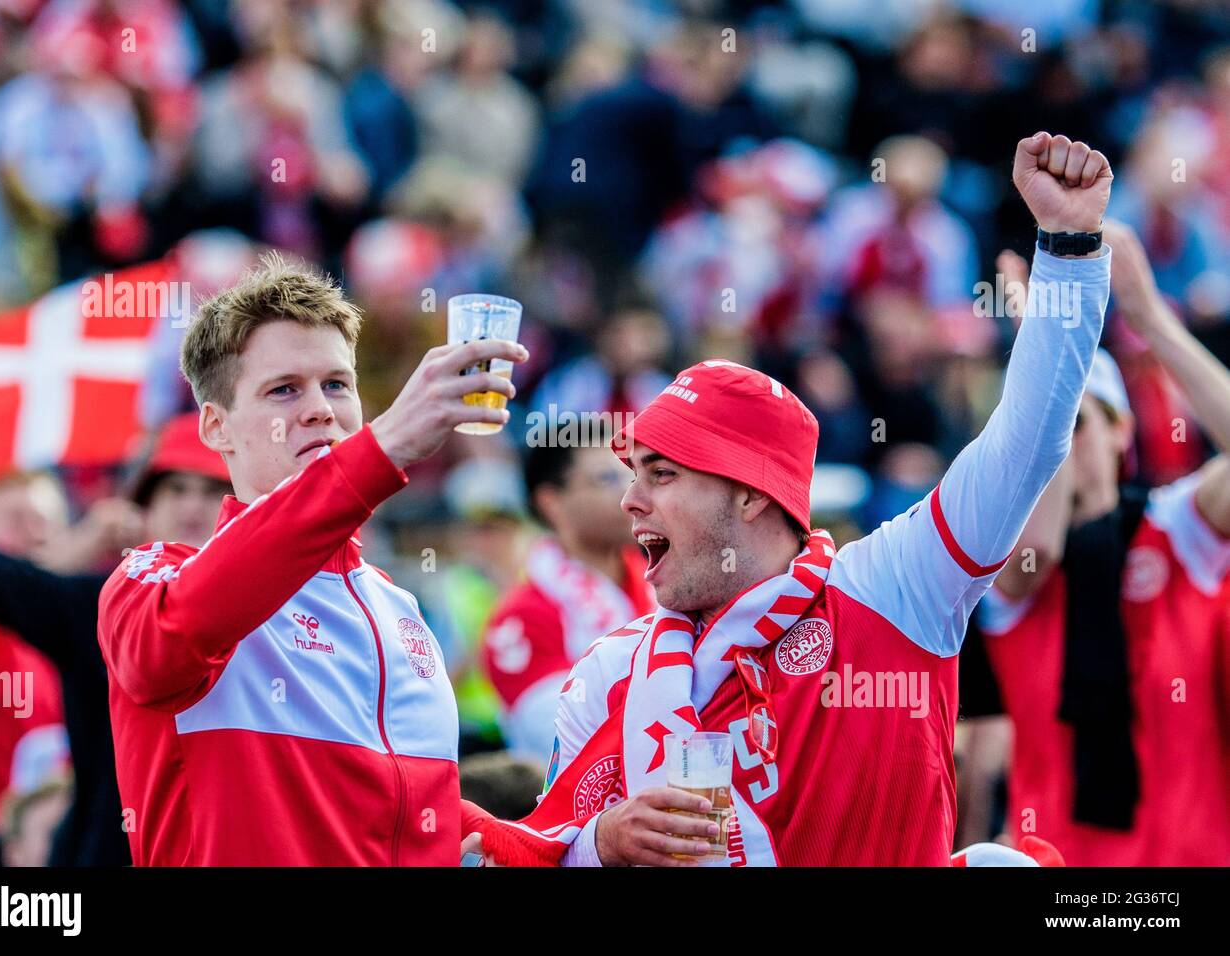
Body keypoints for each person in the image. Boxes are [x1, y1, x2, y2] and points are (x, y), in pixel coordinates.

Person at [470, 132, 1115, 866]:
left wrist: (1067, 247)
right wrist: (602, 844)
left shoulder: (896, 588)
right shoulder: (610, 673)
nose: (629, 502)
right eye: (631, 473)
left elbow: (1025, 442)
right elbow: (539, 849)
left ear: (750, 495)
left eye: (662, 474)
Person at [96, 253, 527, 865]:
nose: (321, 408)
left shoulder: (395, 603)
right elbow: (176, 633)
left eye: (336, 384)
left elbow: (420, 809)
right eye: (283, 390)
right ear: (216, 428)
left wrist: (583, 842)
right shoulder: (153, 576)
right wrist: (386, 448)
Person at [976, 220, 1230, 865]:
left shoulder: (1175, 528)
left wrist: (1148, 313)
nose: (1062, 441)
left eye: (1079, 422)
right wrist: (1048, 355)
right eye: (1048, 424)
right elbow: (1041, 549)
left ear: (1123, 433)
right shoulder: (1013, 562)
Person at [0, 412, 232, 865]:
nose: (191, 507)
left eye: (210, 490)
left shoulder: (287, 610)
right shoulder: (96, 607)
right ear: (141, 511)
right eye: (174, 489)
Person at [482, 440, 654, 764]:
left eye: (631, 478)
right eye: (606, 480)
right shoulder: (522, 618)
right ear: (551, 503)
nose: (631, 495)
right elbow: (565, 738)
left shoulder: (665, 586)